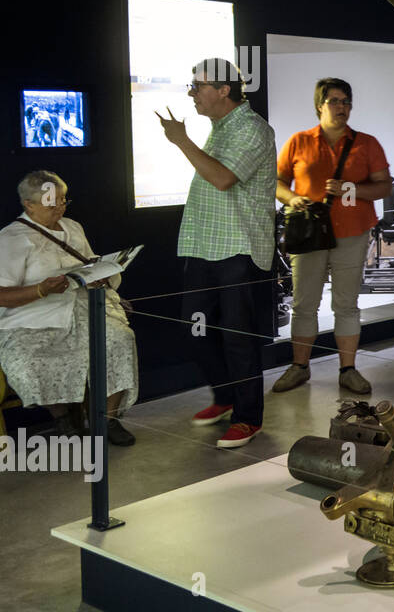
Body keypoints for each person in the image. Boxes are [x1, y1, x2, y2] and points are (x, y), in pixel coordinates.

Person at [159, 57, 276, 449]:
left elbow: (223, 179)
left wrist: (182, 141)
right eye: (191, 86)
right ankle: (226, 396)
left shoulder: (253, 129)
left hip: (238, 248)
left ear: (224, 90)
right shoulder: (220, 128)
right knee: (193, 328)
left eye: (198, 86)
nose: (192, 93)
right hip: (204, 248)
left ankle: (248, 417)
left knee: (238, 337)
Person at [273, 78, 393, 395]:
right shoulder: (299, 141)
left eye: (346, 101)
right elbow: (277, 183)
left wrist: (349, 189)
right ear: (320, 105)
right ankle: (299, 367)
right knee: (304, 304)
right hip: (309, 233)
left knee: (346, 304)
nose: (342, 107)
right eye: (335, 101)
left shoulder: (366, 144)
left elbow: (384, 186)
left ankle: (348, 370)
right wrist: (292, 199)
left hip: (352, 233)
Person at [0, 171, 137, 445]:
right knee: (28, 358)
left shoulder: (72, 227)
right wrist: (41, 289)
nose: (60, 208)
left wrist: (100, 274)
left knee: (120, 340)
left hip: (84, 306)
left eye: (63, 201)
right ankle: (62, 417)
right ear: (29, 204)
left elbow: (89, 262)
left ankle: (108, 419)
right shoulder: (10, 238)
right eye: (52, 203)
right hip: (34, 315)